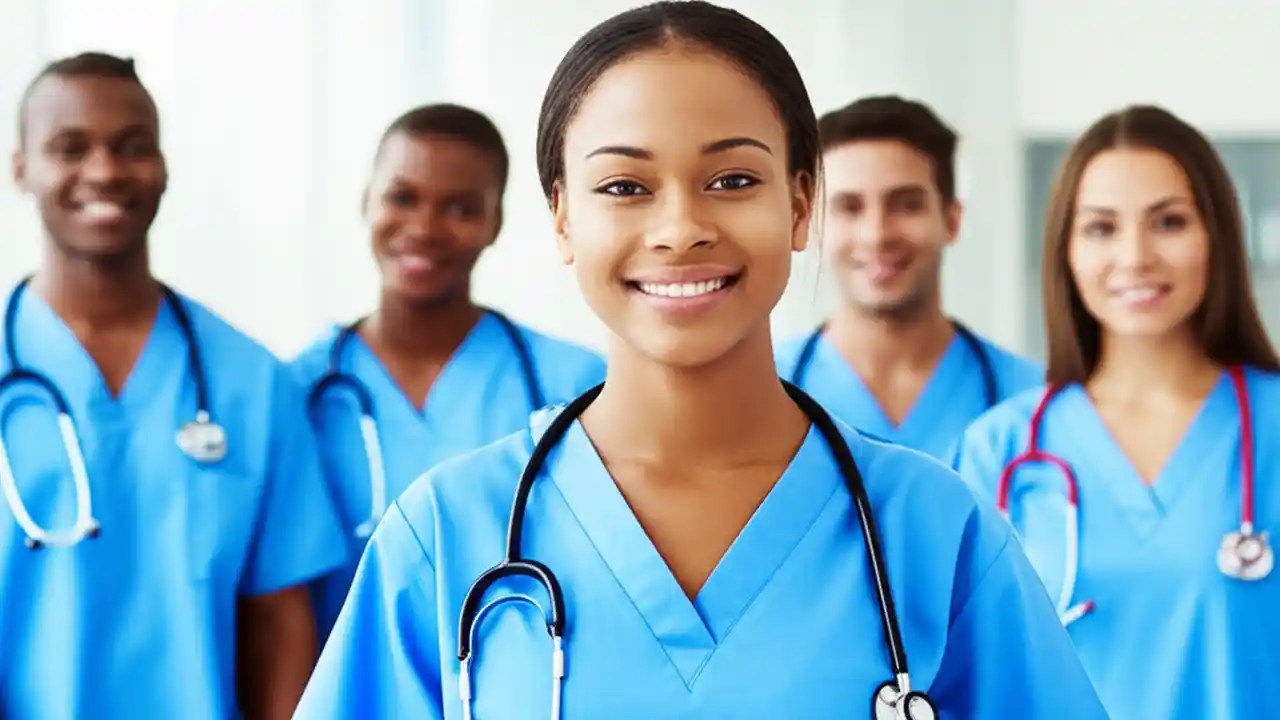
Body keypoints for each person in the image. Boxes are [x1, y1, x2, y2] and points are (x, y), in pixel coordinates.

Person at [293, 3, 1109, 718]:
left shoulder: (934, 528)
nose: (681, 228)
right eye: (624, 187)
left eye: (732, 178)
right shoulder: (442, 535)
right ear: (562, 218)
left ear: (800, 204)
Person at [1, 52, 345, 719]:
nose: (105, 170)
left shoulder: (250, 382)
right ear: (21, 168)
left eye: (133, 147)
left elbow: (278, 621)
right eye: (71, 148)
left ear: (163, 167)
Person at [953, 105, 1280, 719]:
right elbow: (968, 678)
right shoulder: (999, 449)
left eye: (1169, 222)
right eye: (1102, 228)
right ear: (1066, 250)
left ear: (1218, 236)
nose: (1135, 256)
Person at [290, 103, 606, 643]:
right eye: (402, 198)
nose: (424, 228)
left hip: (517, 676)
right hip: (347, 681)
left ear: (495, 222)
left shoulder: (575, 383)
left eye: (460, 207)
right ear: (366, 201)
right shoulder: (298, 390)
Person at [776, 97, 1041, 461]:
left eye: (906, 205)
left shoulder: (1032, 397)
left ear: (952, 220)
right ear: (812, 224)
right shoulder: (762, 394)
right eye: (849, 207)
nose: (876, 235)